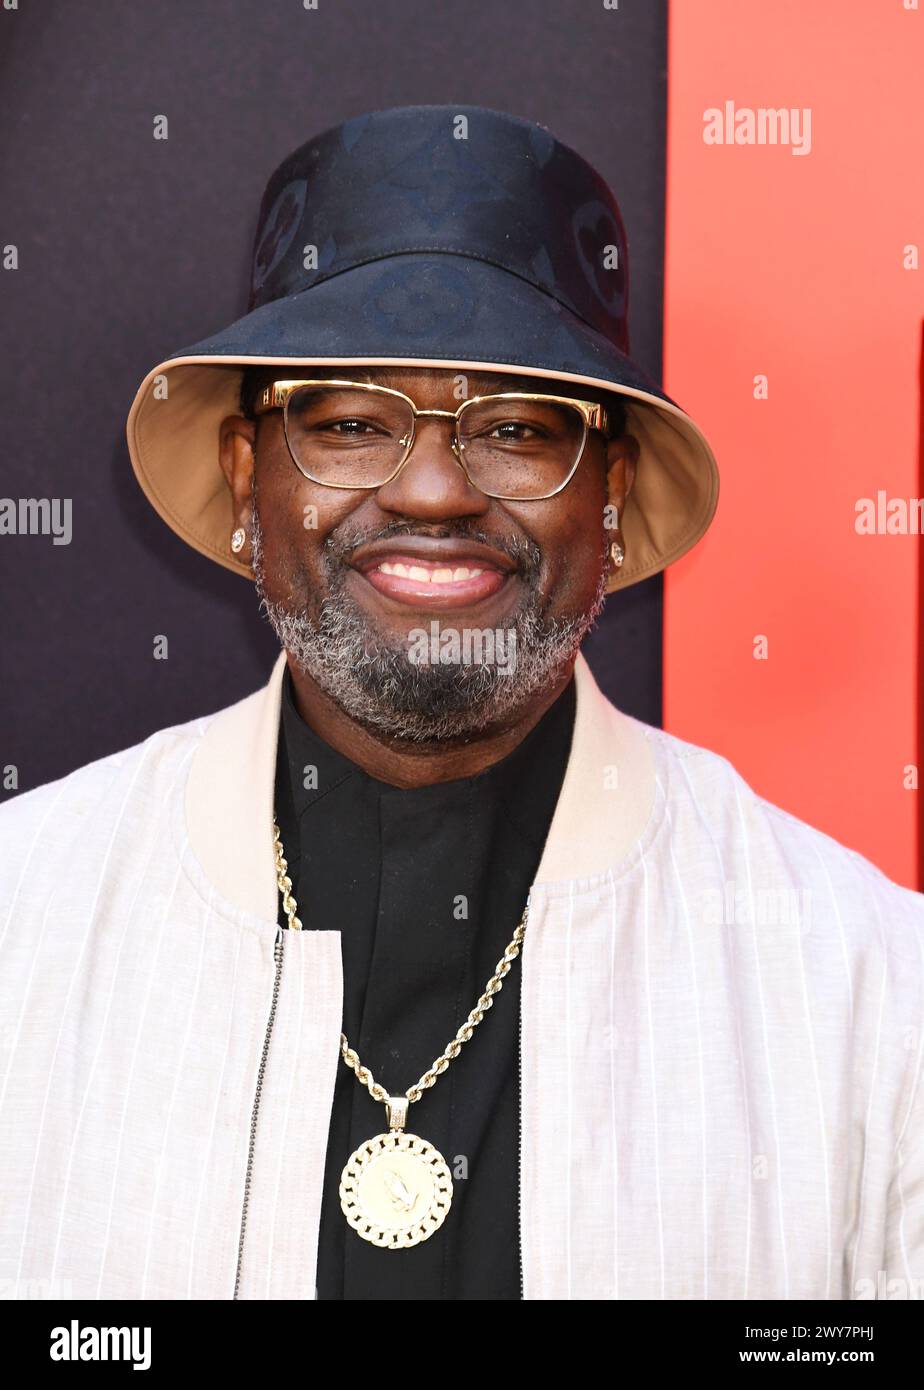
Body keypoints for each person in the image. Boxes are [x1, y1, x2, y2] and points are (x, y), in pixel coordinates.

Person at [1, 104, 921, 1302]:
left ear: (611, 494)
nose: (433, 491)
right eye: (350, 423)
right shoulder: (27, 918)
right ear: (245, 477)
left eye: (518, 428)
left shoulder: (865, 986)